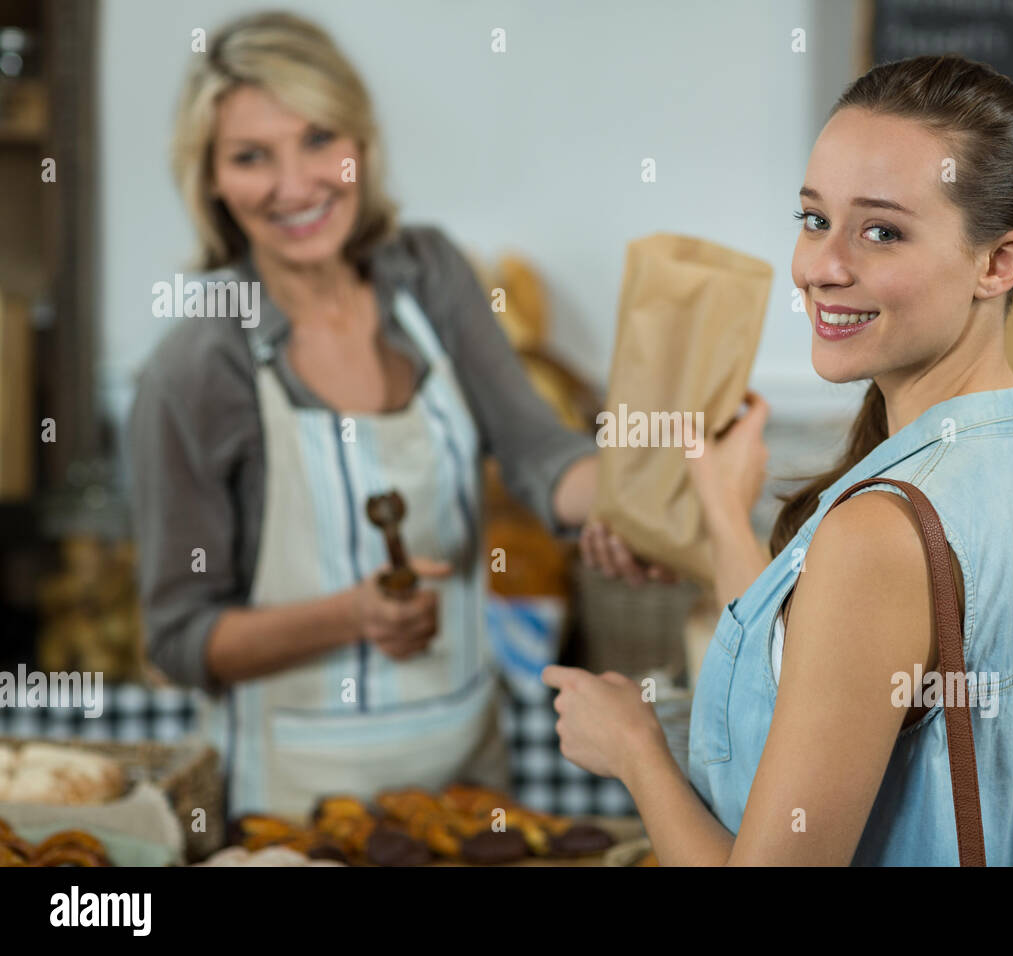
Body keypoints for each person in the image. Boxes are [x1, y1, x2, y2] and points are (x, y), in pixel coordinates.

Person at [544, 54, 1013, 865]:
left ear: (999, 264)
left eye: (881, 231)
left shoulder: (884, 531)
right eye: (815, 219)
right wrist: (720, 509)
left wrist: (635, 751)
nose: (822, 267)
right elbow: (841, 663)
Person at [128, 11, 654, 818]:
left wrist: (637, 503)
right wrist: (350, 615)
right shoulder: (197, 368)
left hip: (467, 782)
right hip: (290, 812)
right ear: (211, 181)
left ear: (360, 144)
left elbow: (539, 454)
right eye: (250, 157)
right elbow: (182, 637)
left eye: (318, 138)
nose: (296, 183)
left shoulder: (431, 279)